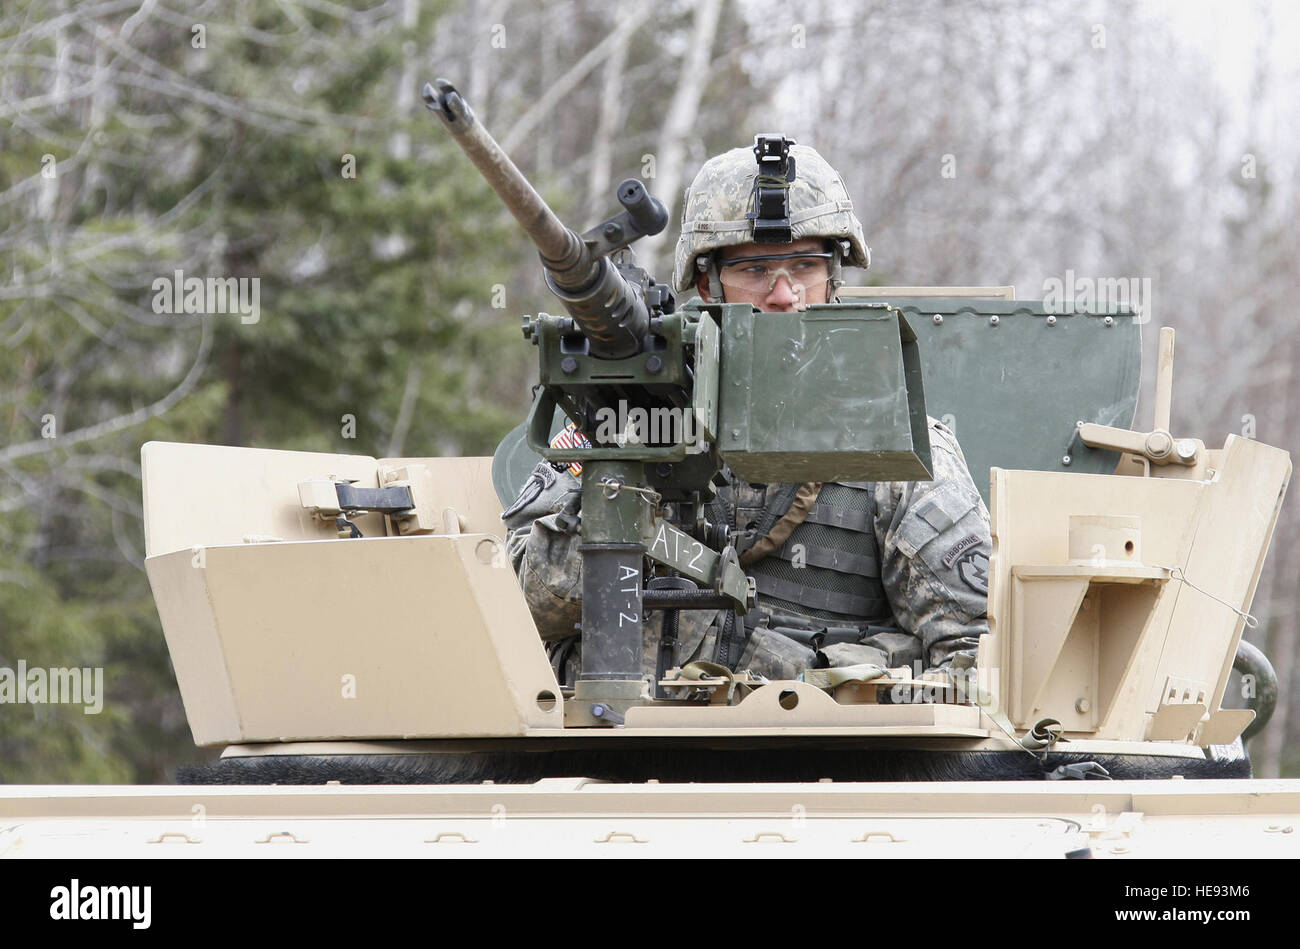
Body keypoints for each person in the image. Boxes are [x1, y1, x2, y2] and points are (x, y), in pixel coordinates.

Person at [503, 138, 990, 685]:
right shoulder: (619, 426)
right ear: (708, 283)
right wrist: (626, 484)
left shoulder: (893, 443)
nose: (783, 295)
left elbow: (971, 652)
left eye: (804, 266)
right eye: (755, 270)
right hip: (617, 747)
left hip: (828, 755)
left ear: (833, 280)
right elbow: (514, 608)